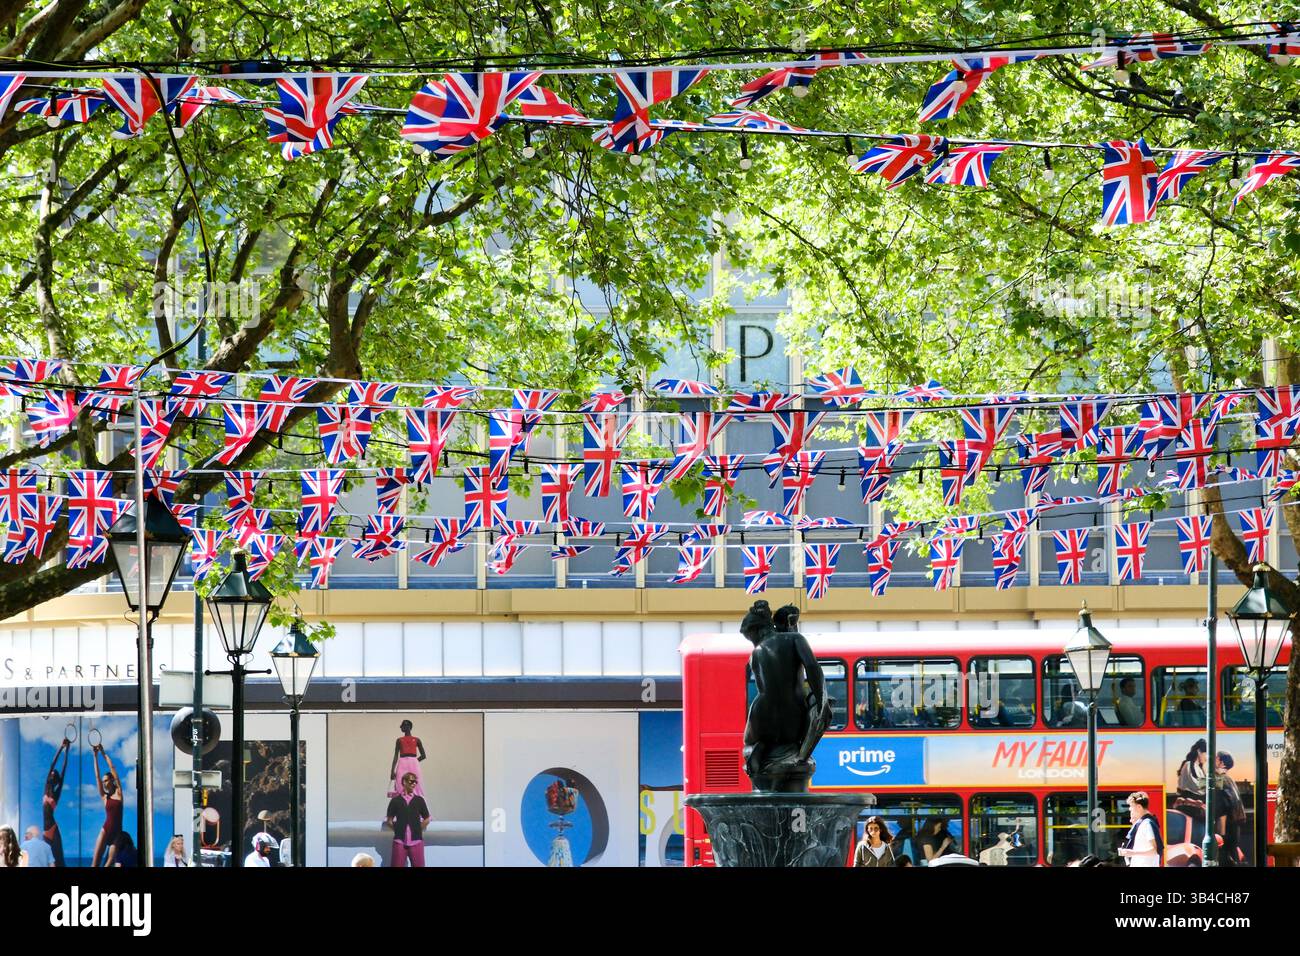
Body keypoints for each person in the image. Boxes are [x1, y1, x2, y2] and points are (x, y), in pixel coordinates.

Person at [386, 771, 431, 868]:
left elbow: (427, 818)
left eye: (415, 782)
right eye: (411, 781)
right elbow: (389, 820)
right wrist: (398, 829)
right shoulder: (395, 801)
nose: (414, 783)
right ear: (404, 782)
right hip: (399, 841)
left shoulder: (419, 800)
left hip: (416, 841)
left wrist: (418, 828)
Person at [90, 743, 124, 867]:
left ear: (112, 780)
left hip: (117, 834)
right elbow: (97, 776)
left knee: (108, 864)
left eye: (106, 780)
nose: (104, 783)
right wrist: (95, 756)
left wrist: (103, 753)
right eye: (103, 781)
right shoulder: (105, 797)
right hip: (105, 830)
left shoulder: (119, 793)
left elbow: (112, 767)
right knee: (95, 864)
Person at [42, 736, 71, 867]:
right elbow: (52, 764)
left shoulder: (56, 793)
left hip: (53, 828)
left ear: (57, 779)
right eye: (51, 774)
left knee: (59, 860)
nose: (52, 774)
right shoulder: (46, 789)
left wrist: (67, 751)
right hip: (45, 830)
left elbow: (63, 768)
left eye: (54, 774)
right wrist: (61, 747)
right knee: (48, 862)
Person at [1214, 752, 1246, 865]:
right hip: (1234, 825)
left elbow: (1223, 806)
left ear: (1221, 763)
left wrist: (1221, 832)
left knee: (1224, 857)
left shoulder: (1220, 779)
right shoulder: (1229, 779)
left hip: (1226, 827)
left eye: (1216, 758)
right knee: (1232, 855)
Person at [1117, 791, 1163, 867]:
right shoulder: (1144, 823)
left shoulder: (1147, 824)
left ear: (1139, 807)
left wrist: (1132, 853)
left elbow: (1154, 850)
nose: (1130, 809)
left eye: (1131, 806)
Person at [389, 720, 427, 798]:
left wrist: (415, 761)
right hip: (402, 762)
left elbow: (423, 755)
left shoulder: (417, 740)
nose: (401, 727)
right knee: (400, 780)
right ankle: (401, 798)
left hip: (413, 761)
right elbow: (396, 755)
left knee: (416, 781)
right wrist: (392, 771)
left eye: (403, 725)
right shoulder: (399, 740)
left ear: (409, 726)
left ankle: (417, 798)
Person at [1175, 738, 1208, 820]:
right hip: (1190, 803)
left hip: (1195, 802)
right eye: (1205, 754)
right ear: (1199, 752)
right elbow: (1196, 785)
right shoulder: (1189, 765)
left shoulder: (1198, 767)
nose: (1206, 758)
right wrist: (1217, 782)